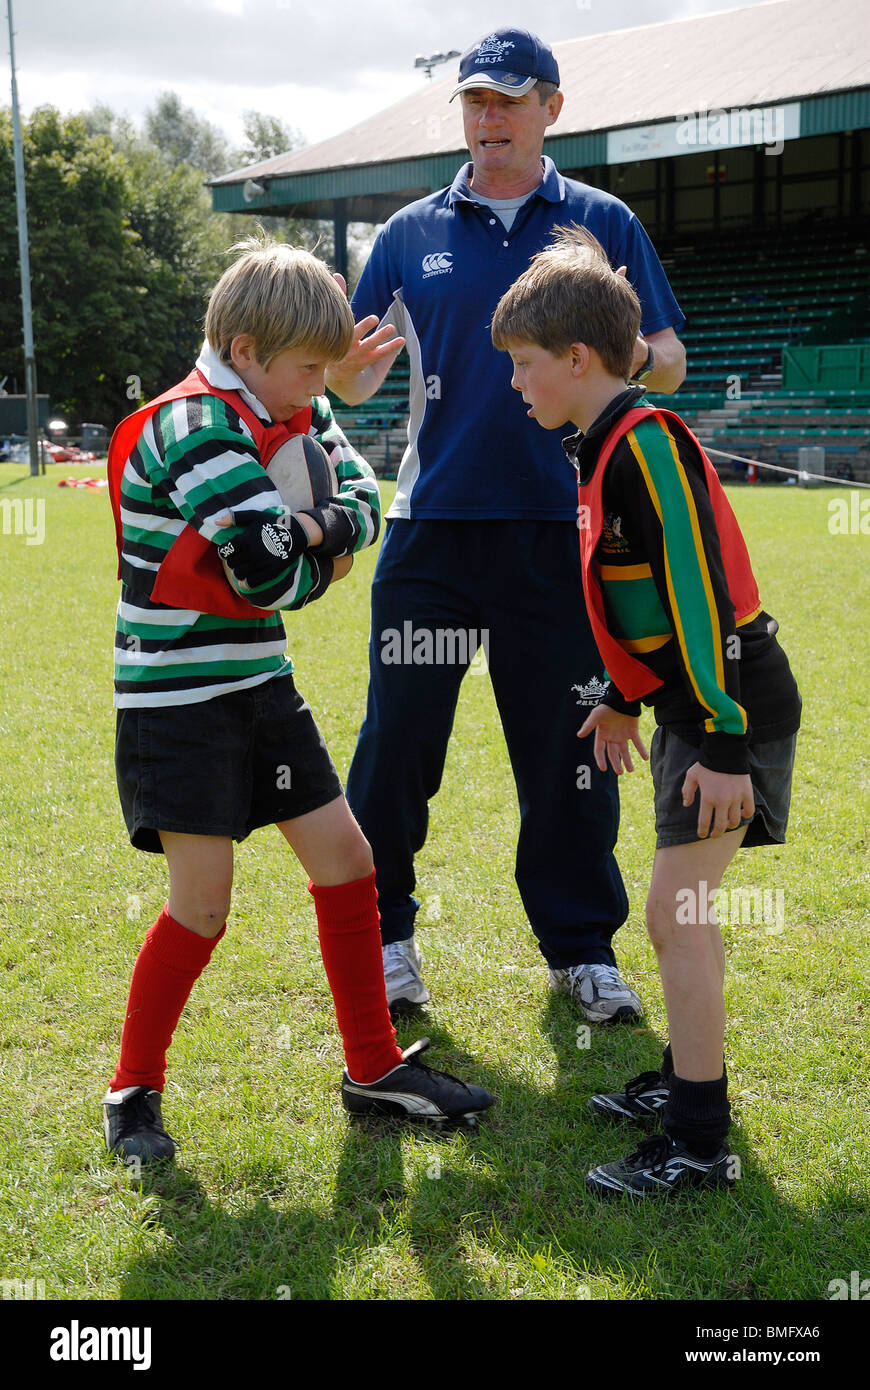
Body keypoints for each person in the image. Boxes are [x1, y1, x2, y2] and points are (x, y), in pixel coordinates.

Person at [102, 237, 493, 1164]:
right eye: (310, 368)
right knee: (201, 906)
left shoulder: (286, 401)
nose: (323, 388)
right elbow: (273, 576)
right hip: (178, 701)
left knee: (347, 860)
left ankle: (372, 1067)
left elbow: (357, 495)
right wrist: (320, 543)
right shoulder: (192, 425)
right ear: (244, 350)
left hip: (260, 683)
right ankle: (132, 1091)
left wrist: (312, 530)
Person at [326, 28, 686, 1023]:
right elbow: (349, 379)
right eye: (475, 103)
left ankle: (582, 950)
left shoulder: (603, 222)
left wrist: (609, 354)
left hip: (562, 532)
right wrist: (355, 366)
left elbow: (669, 357)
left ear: (551, 111)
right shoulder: (405, 233)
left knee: (570, 747)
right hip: (431, 528)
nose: (488, 120)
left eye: (508, 103)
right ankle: (384, 938)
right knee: (396, 742)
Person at [490, 224, 801, 1195]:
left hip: (730, 701)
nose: (515, 384)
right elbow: (642, 599)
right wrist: (627, 699)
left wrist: (718, 740)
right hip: (691, 705)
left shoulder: (646, 442)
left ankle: (700, 1142)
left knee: (678, 918)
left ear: (577, 359)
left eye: (524, 365)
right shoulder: (601, 443)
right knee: (680, 916)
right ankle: (683, 1085)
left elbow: (698, 594)